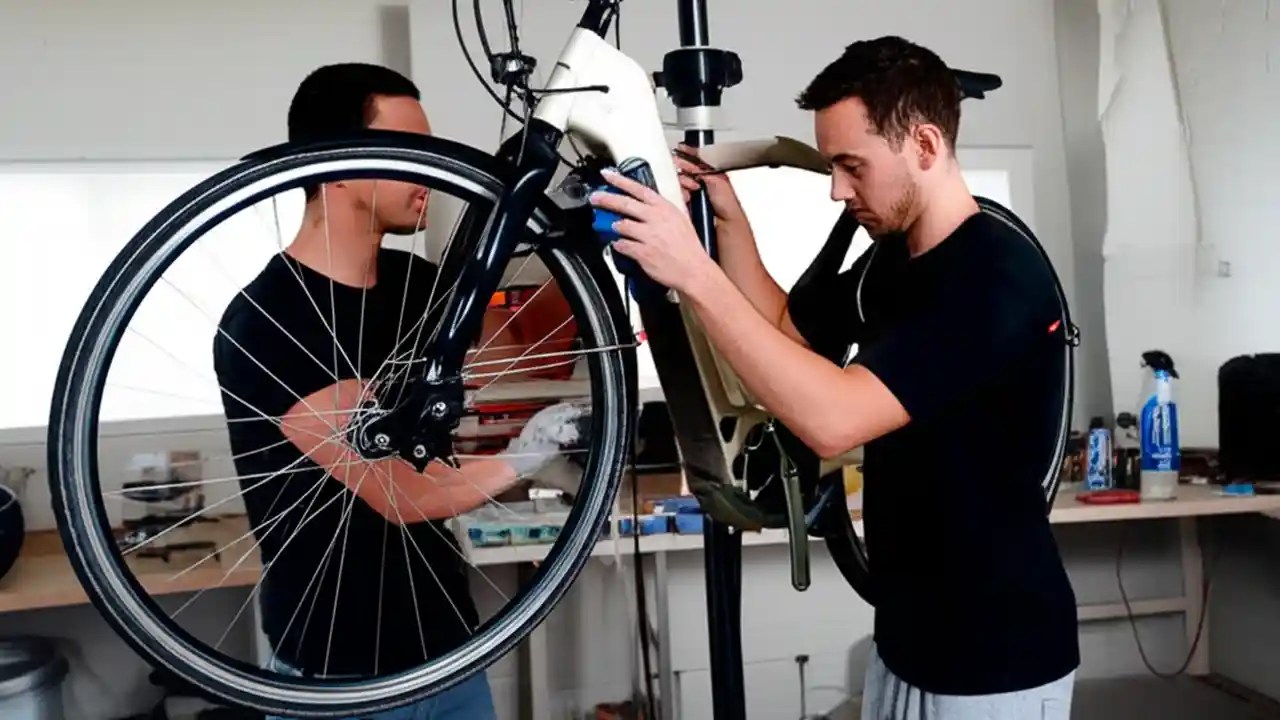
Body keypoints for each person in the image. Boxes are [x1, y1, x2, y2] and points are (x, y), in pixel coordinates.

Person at [589, 36, 1079, 719]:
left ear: (926, 146)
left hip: (997, 656)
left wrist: (692, 273)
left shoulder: (994, 277)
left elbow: (834, 420)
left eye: (853, 166)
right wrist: (728, 222)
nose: (837, 189)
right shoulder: (892, 261)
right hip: (907, 636)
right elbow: (786, 331)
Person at [213, 62, 584, 720]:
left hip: (451, 656)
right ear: (337, 164)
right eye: (408, 151)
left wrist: (588, 238)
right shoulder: (267, 320)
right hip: (340, 683)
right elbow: (402, 493)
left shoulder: (415, 283)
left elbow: (535, 347)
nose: (429, 174)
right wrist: (528, 454)